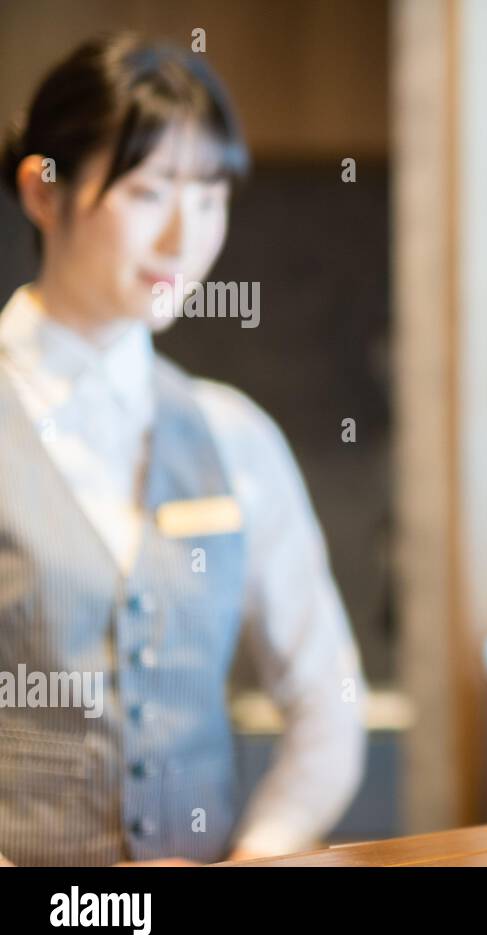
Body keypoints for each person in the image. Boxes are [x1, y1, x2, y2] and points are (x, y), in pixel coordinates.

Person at [0, 33, 367, 865]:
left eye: (208, 197)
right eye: (149, 191)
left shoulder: (233, 433)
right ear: (44, 192)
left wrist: (258, 853)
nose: (184, 238)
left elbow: (328, 704)